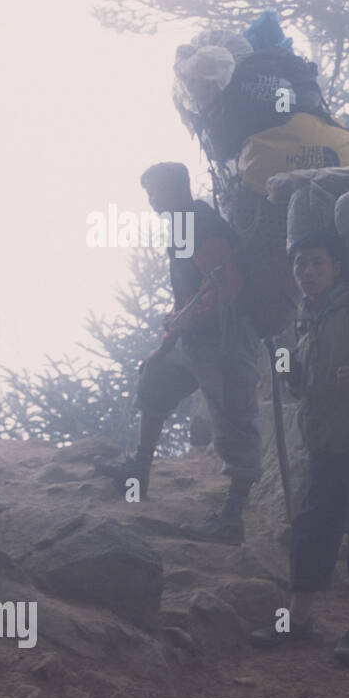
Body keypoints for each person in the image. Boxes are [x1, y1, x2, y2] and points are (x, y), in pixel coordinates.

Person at [249, 230, 349, 665]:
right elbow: (309, 379)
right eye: (300, 263)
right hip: (327, 441)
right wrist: (293, 375)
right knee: (311, 527)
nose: (307, 271)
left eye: (317, 262)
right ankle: (297, 619)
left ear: (336, 267)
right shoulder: (306, 315)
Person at [96, 162, 262, 543]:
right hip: (194, 340)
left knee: (235, 423)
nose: (152, 199)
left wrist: (188, 319)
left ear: (179, 187)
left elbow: (226, 286)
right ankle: (139, 471)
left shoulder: (200, 223)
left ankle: (232, 517)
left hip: (224, 342)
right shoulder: (182, 225)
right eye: (148, 192)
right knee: (155, 383)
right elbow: (193, 291)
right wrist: (166, 343)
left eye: (158, 190)